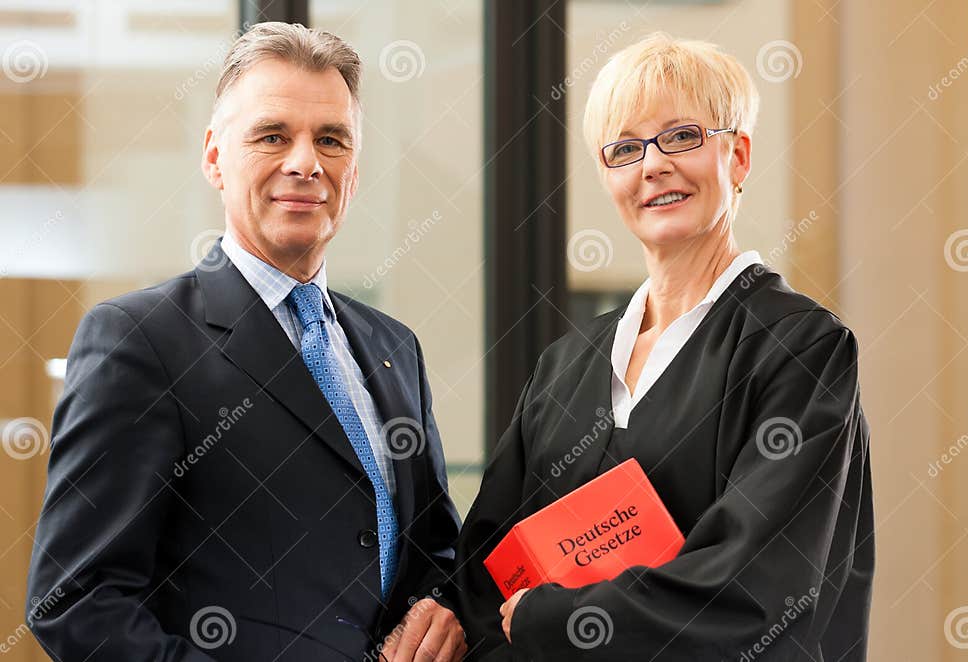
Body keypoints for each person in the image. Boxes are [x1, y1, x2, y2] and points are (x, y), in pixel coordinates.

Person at [26, 22, 466, 662]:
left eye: (331, 140)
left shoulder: (393, 347)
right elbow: (76, 601)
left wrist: (446, 607)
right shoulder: (139, 341)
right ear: (213, 157)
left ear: (354, 171)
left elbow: (434, 548)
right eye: (272, 135)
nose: (305, 162)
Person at [454, 32, 874, 661]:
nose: (653, 166)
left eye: (682, 137)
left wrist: (556, 619)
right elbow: (487, 566)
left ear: (738, 157)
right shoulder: (564, 367)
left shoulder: (799, 349)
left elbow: (758, 587)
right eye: (625, 149)